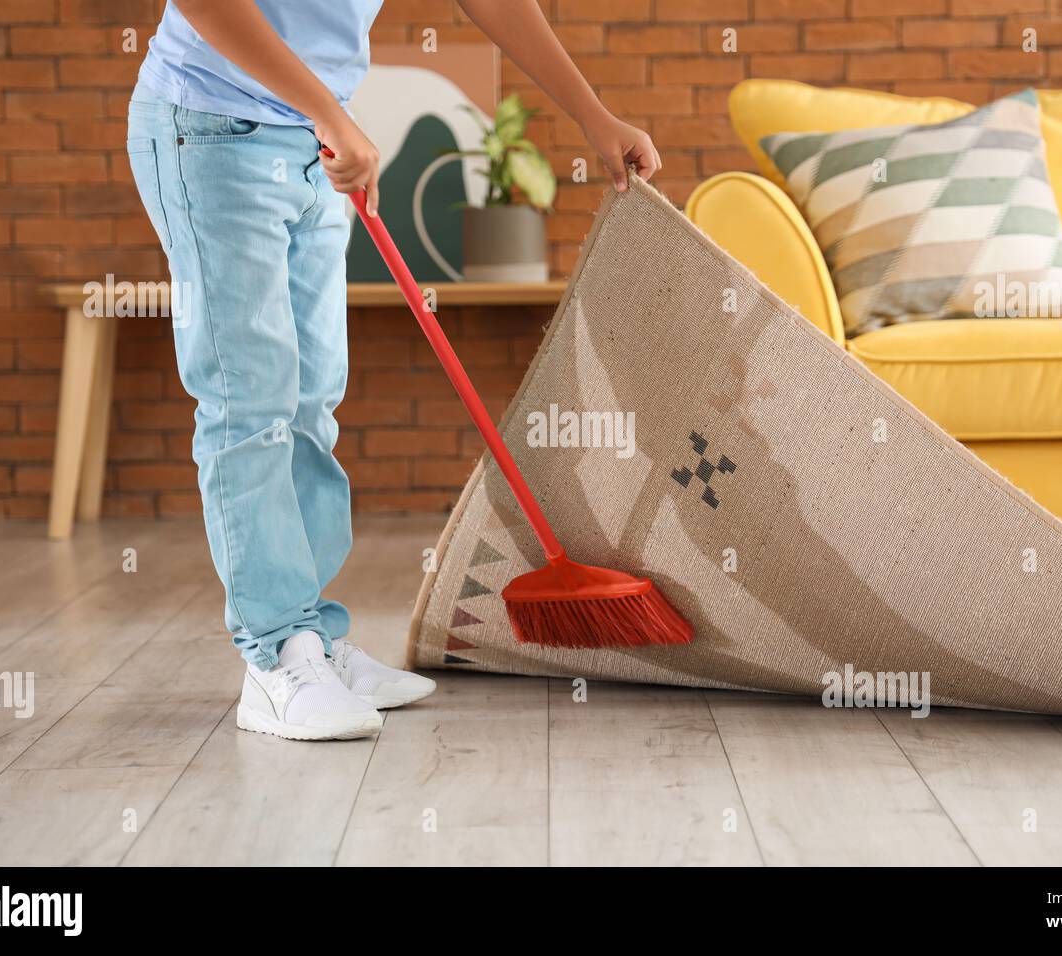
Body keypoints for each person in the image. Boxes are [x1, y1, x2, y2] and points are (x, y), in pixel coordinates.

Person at [126, 1, 662, 740]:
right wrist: (325, 110)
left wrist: (591, 115)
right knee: (249, 402)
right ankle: (277, 657)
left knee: (311, 403)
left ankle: (310, 632)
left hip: (314, 142)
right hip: (212, 128)